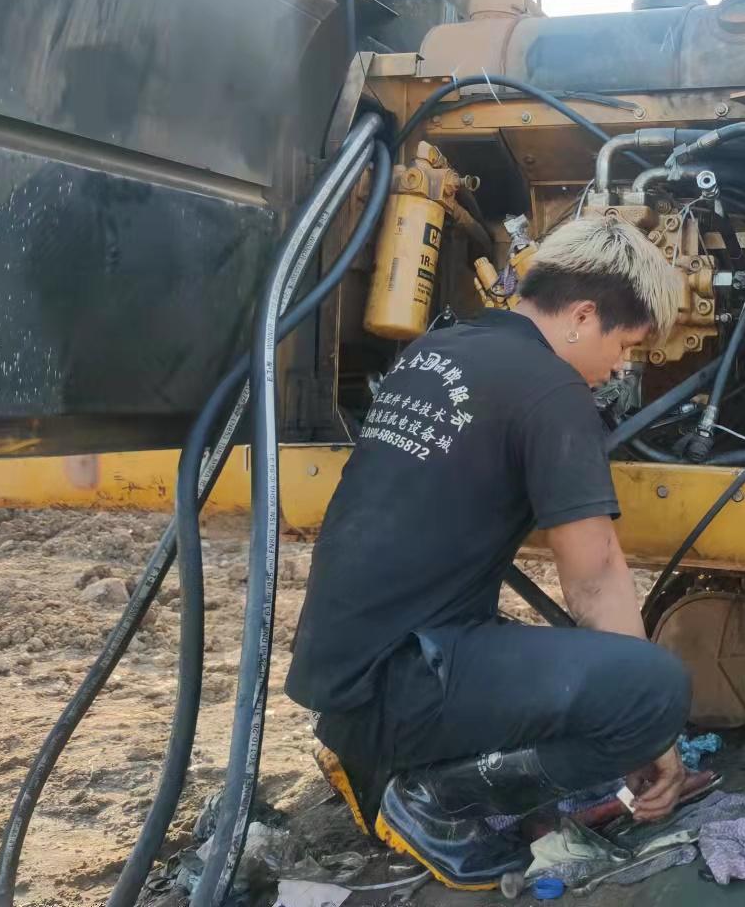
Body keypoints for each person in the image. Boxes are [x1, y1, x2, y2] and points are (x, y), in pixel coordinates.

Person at [285, 214, 692, 889]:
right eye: (625, 345)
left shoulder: (437, 349)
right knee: (654, 689)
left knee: (532, 651)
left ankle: (375, 758)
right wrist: (650, 730)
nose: (621, 366)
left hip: (344, 673)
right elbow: (594, 580)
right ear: (582, 316)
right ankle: (437, 800)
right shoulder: (553, 391)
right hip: (402, 685)